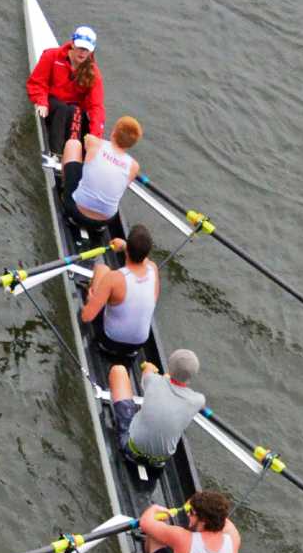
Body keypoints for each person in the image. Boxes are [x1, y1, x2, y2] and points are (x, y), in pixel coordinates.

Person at [107, 350, 205, 486]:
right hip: (159, 462)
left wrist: (149, 368)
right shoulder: (198, 400)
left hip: (131, 450)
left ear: (170, 367)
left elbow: (150, 373)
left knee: (118, 371)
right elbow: (201, 405)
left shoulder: (153, 380)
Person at [81, 225, 159, 358]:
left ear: (128, 249)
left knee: (102, 269)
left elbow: (86, 317)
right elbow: (146, 261)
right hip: (137, 346)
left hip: (109, 341)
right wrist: (124, 246)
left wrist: (91, 298)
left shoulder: (114, 278)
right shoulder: (153, 269)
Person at [62, 116, 142, 243]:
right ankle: (98, 225)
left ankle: (64, 187)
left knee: (73, 144)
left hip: (75, 210)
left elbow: (86, 139)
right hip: (105, 221)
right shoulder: (134, 166)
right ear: (131, 144)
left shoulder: (95, 143)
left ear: (114, 132)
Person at [26, 24, 105, 148]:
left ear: (92, 50)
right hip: (52, 105)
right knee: (62, 108)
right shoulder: (51, 56)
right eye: (80, 47)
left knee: (75, 111)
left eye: (87, 49)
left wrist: (95, 135)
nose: (83, 52)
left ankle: (75, 154)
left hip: (74, 112)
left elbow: (96, 107)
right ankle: (56, 152)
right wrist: (41, 101)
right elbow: (36, 83)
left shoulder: (94, 74)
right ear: (73, 44)